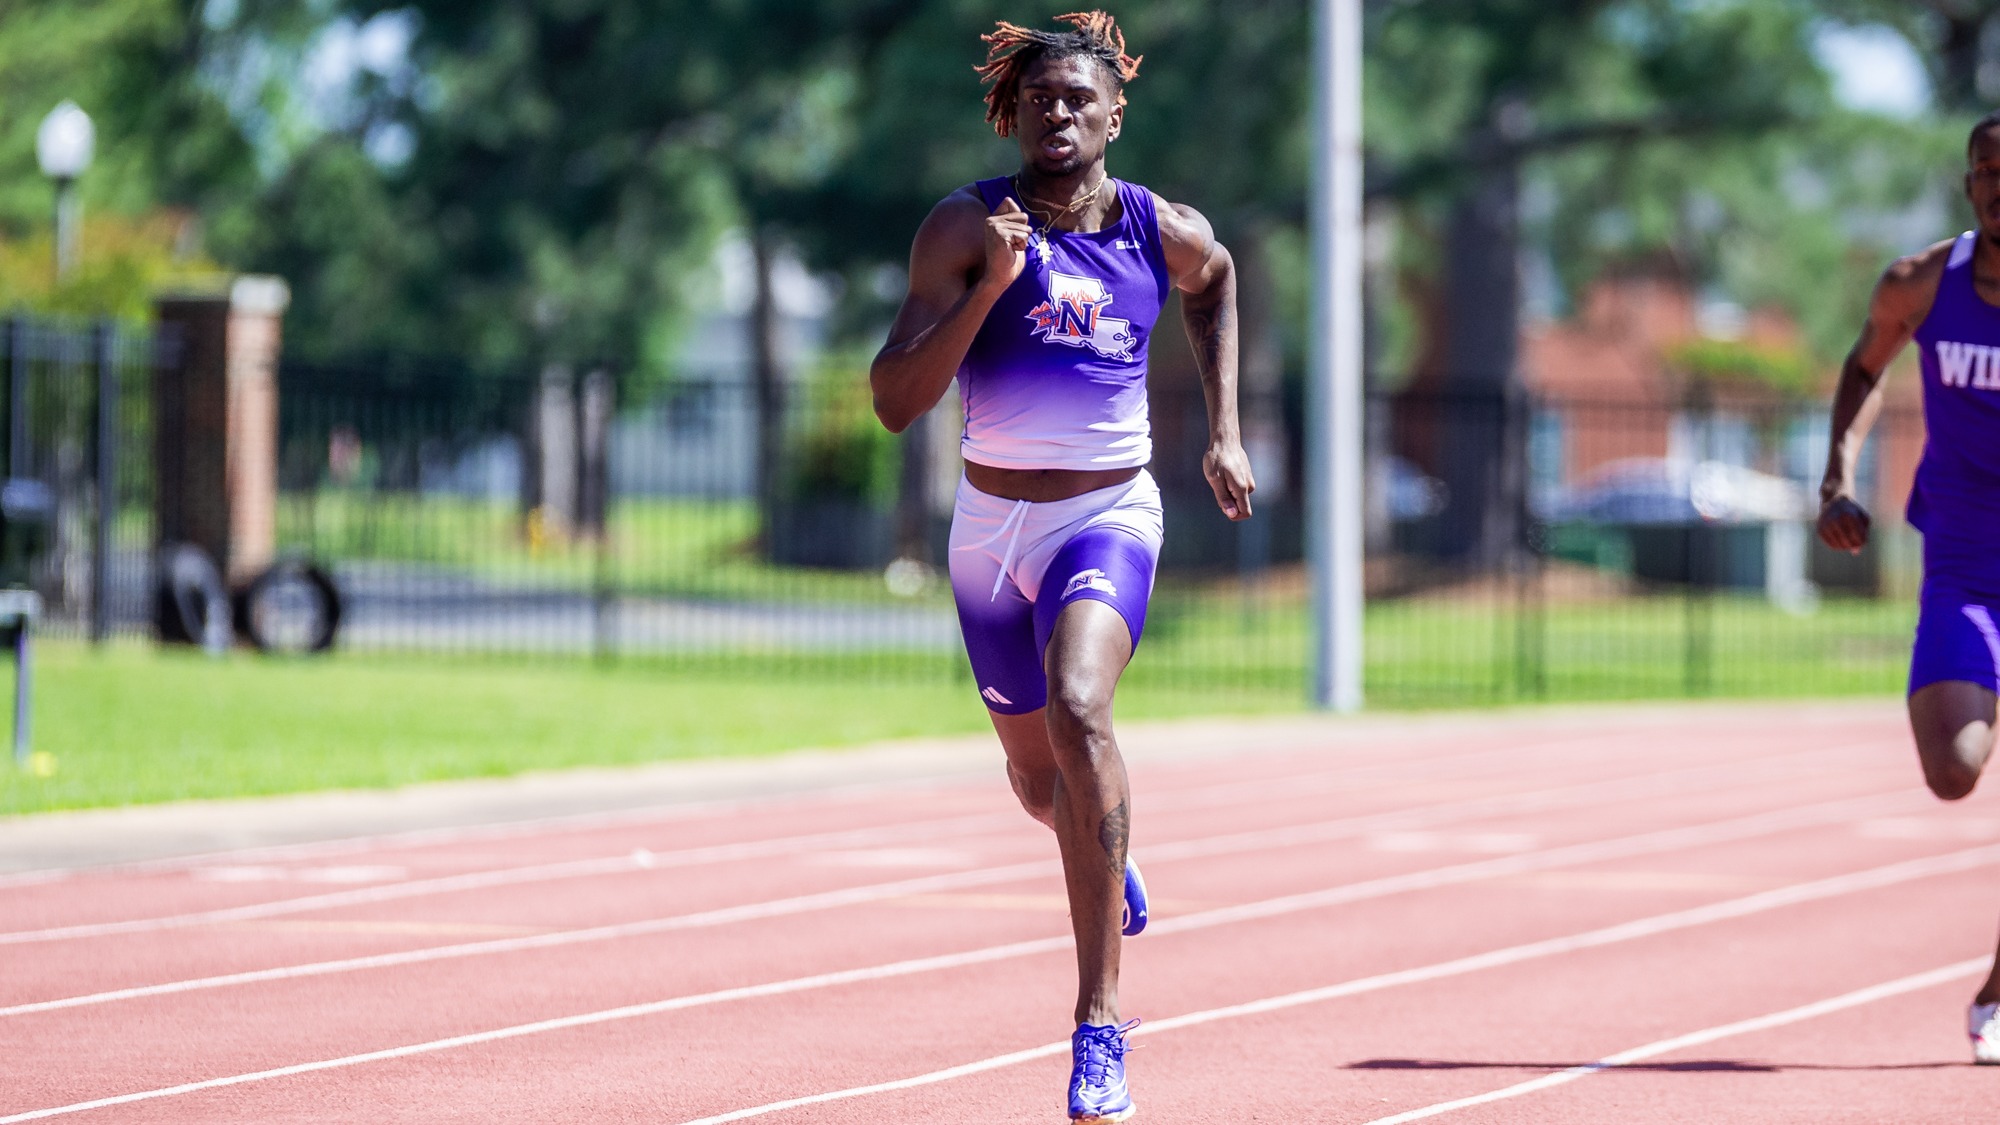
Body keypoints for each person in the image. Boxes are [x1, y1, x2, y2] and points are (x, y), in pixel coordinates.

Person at [869, 11, 1254, 1120]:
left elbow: (1215, 280)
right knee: (1038, 781)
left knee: (1082, 711)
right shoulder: (962, 225)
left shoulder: (1154, 228)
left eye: (1079, 98)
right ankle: (1101, 837)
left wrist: (1222, 428)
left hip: (1107, 513)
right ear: (1011, 110)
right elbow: (895, 404)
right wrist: (988, 287)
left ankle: (1098, 1024)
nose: (1059, 113)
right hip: (991, 530)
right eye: (1040, 98)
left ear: (1113, 114)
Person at [1819, 109, 2000, 1064]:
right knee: (1955, 769)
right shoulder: (1924, 282)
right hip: (1967, 557)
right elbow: (1861, 367)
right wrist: (1838, 476)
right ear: (1969, 183)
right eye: (1985, 169)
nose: (1999, 185)